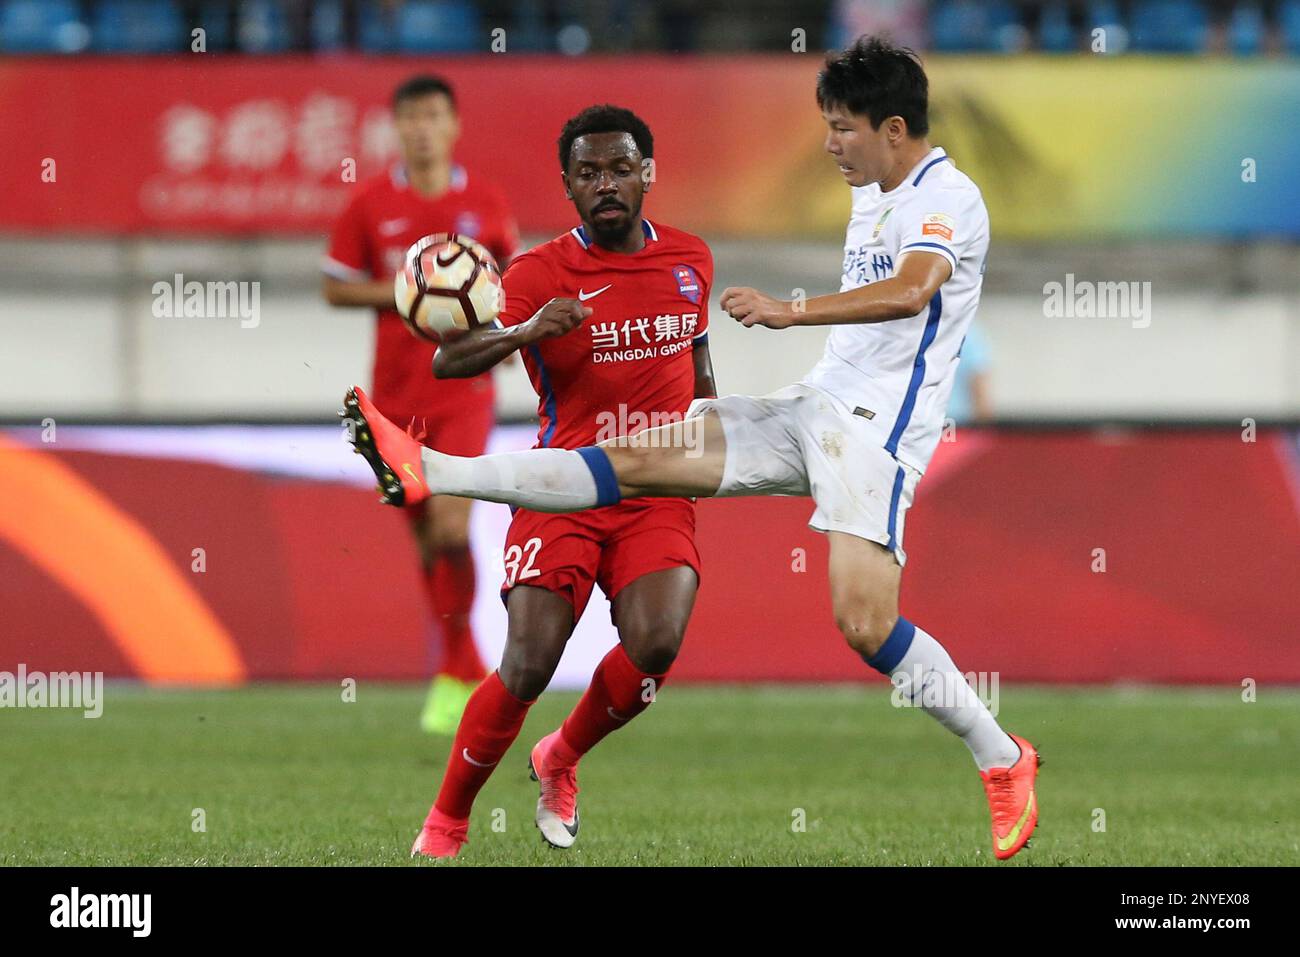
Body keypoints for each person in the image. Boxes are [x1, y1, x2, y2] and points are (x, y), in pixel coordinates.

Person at [343, 38, 1040, 861]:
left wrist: (793, 310)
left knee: (861, 622)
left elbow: (916, 287)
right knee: (638, 452)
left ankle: (1002, 756)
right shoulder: (875, 190)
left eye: (841, 128)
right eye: (826, 126)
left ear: (893, 128)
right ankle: (431, 470)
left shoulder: (945, 196)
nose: (828, 145)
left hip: (875, 433)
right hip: (814, 406)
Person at [349, 104, 716, 859]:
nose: (605, 184)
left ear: (648, 172)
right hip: (564, 489)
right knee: (527, 662)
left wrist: (709, 428)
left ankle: (561, 755)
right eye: (588, 173)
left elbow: (700, 360)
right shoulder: (538, 272)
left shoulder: (691, 259)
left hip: (655, 489)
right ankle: (447, 819)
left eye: (620, 168)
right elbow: (450, 360)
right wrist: (524, 331)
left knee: (657, 640)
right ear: (568, 186)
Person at [323, 75, 519, 735]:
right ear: (396, 127)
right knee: (422, 538)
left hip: (464, 390)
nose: (422, 128)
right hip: (396, 396)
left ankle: (460, 664)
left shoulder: (485, 202)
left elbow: (506, 287)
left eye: (434, 116)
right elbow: (335, 289)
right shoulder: (370, 205)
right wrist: (412, 292)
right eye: (410, 117)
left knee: (449, 528)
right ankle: (459, 667)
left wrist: (511, 338)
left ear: (454, 124)